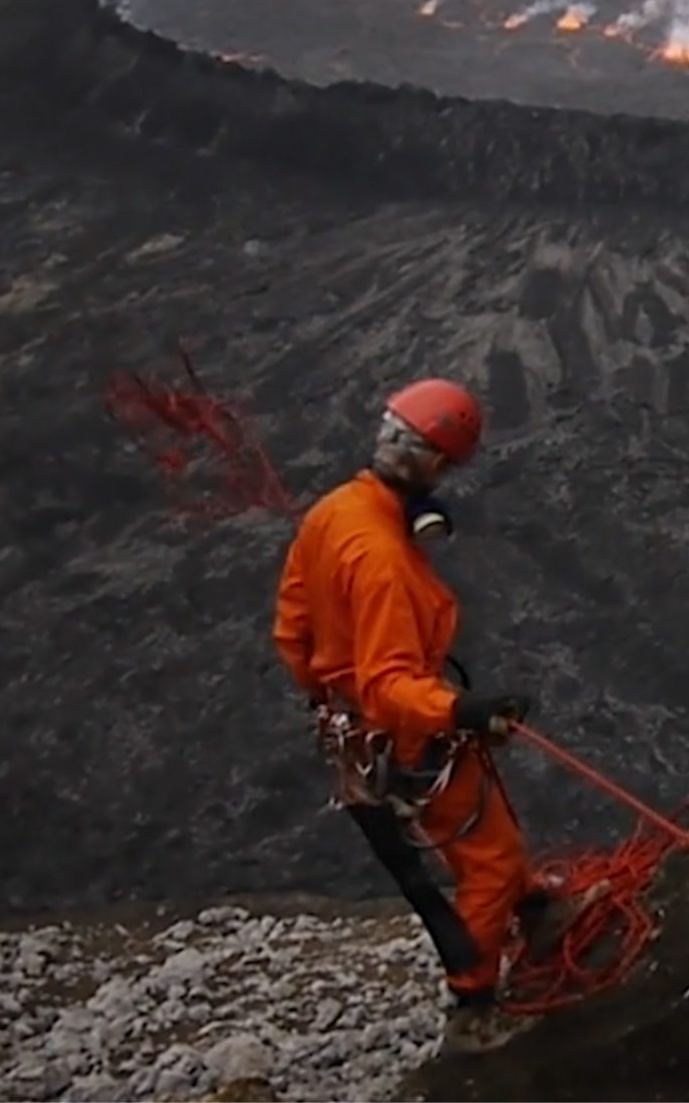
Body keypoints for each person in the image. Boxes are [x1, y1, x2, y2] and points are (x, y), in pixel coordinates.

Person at [269, 377, 554, 1055]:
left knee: (492, 838)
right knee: (485, 862)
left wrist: (328, 689)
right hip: (406, 732)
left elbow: (293, 632)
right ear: (433, 463)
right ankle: (475, 1005)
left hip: (355, 729)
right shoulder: (385, 564)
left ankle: (529, 899)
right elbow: (391, 683)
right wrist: (460, 707)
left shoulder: (335, 512)